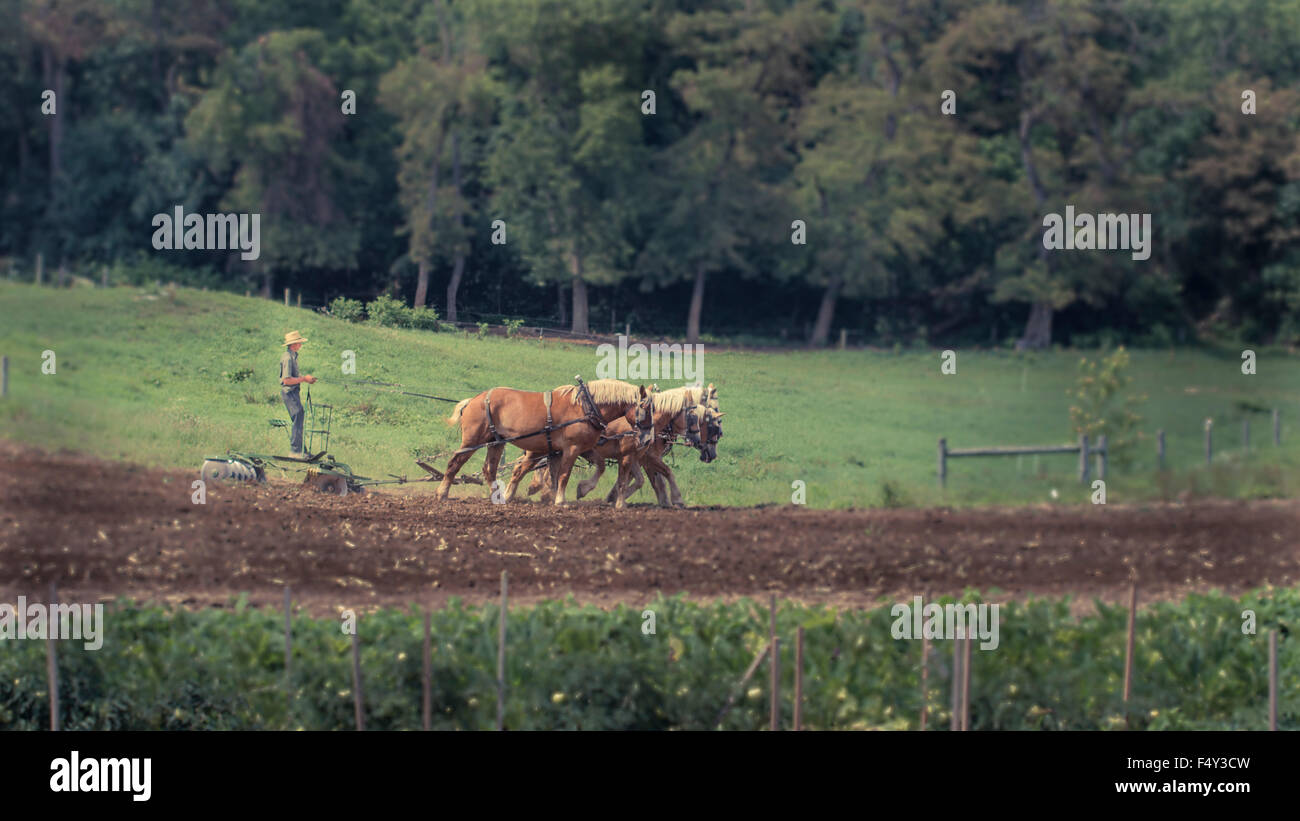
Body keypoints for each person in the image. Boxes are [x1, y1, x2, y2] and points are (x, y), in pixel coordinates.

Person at [279, 331, 316, 454]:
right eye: (299, 342)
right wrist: (304, 379)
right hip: (289, 392)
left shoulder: (293, 356)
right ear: (293, 344)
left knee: (299, 416)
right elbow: (286, 380)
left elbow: (295, 376)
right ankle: (295, 451)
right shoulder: (288, 358)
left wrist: (307, 379)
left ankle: (301, 450)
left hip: (294, 392)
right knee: (298, 415)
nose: (301, 344)